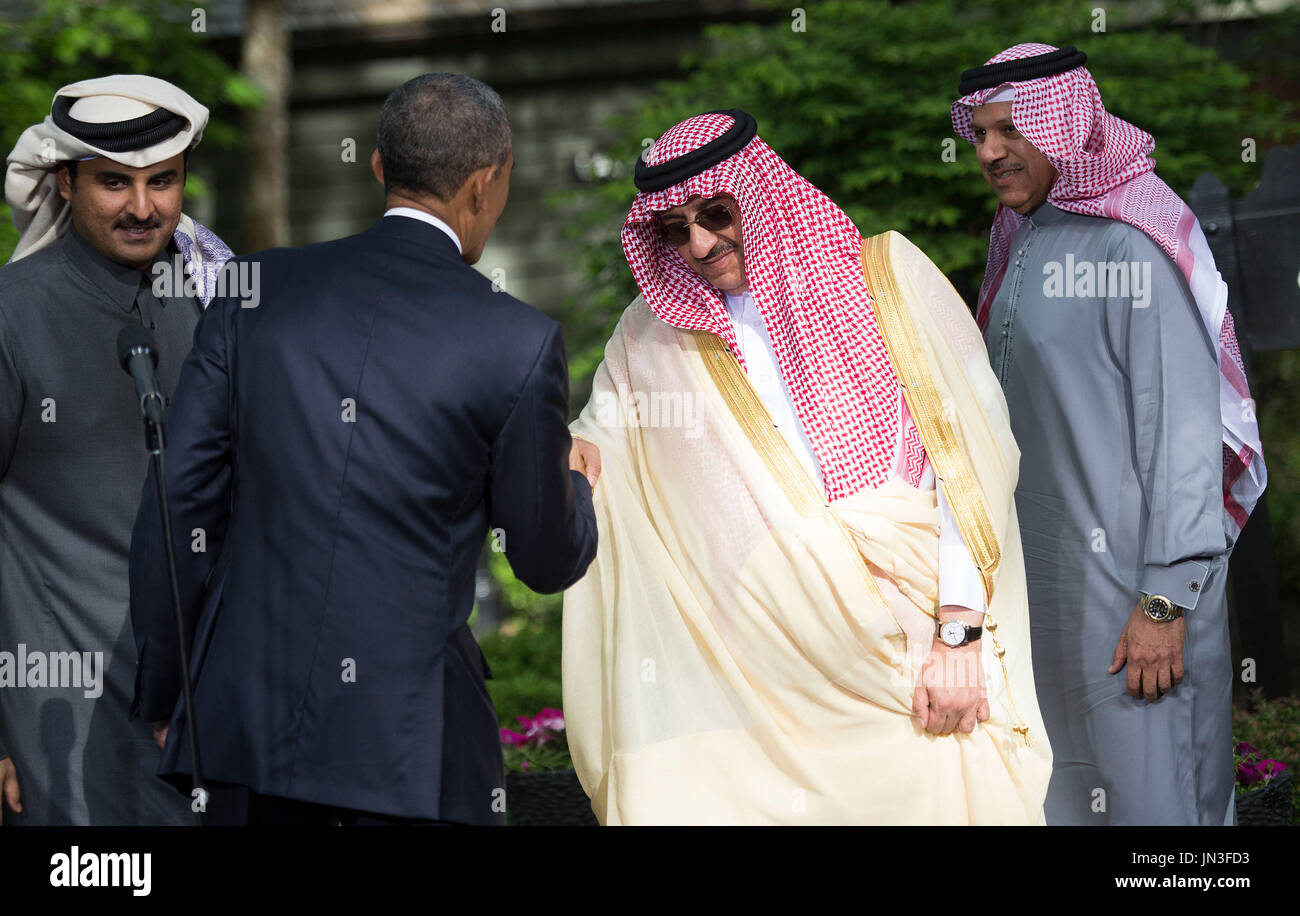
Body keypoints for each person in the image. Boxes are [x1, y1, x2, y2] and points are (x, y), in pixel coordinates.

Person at [128, 72, 597, 826]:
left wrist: (166, 692)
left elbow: (176, 507)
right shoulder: (517, 339)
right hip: (411, 752)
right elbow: (543, 560)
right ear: (487, 182)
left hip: (245, 735)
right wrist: (577, 484)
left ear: (379, 168)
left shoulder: (253, 287)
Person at [562, 109, 1052, 824]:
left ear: (755, 194)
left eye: (714, 213)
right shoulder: (648, 339)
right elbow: (598, 451)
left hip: (917, 664)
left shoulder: (888, 278)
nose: (699, 244)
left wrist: (958, 634)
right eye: (675, 229)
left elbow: (971, 460)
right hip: (767, 689)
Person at [951, 43, 1266, 825]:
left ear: (1064, 127)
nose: (989, 152)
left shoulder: (1132, 241)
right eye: (979, 134)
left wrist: (1165, 598)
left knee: (1159, 805)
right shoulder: (1018, 238)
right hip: (1050, 591)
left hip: (1139, 596)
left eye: (1008, 132)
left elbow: (1187, 433)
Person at [0, 75, 231, 826]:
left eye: (162, 181)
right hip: (58, 721)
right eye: (114, 183)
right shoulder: (13, 315)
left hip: (206, 712)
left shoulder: (211, 297)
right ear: (65, 183)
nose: (143, 207)